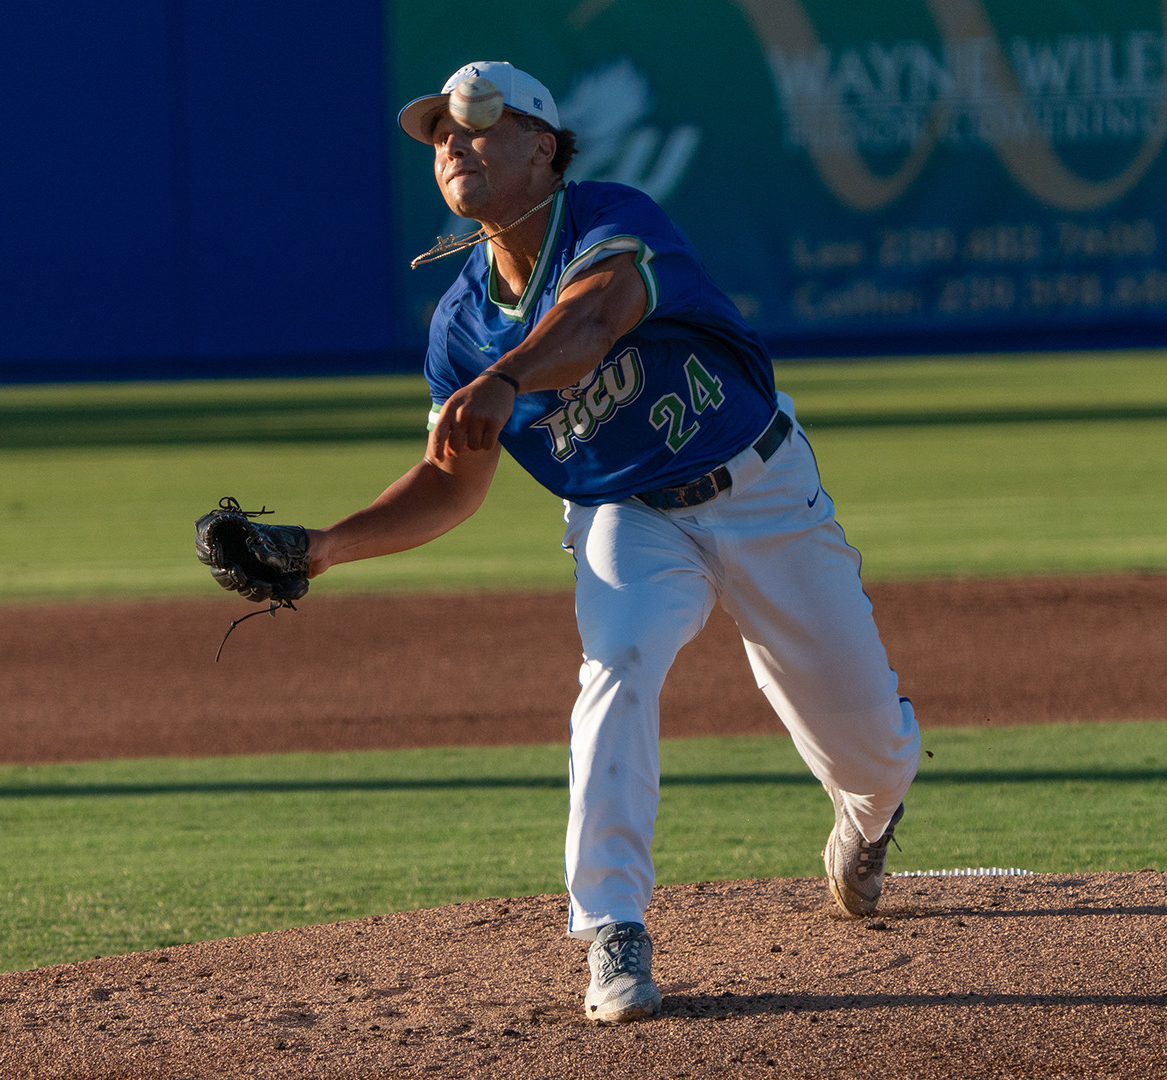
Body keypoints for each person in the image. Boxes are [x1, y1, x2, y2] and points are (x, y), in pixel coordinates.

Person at [300, 61, 921, 1023]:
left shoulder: (608, 217)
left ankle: (866, 818)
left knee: (874, 750)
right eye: (438, 136)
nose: (451, 144)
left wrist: (507, 381)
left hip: (761, 490)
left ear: (542, 146)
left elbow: (599, 315)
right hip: (626, 516)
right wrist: (321, 549)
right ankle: (612, 930)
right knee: (619, 660)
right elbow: (449, 486)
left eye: (474, 123)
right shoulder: (460, 324)